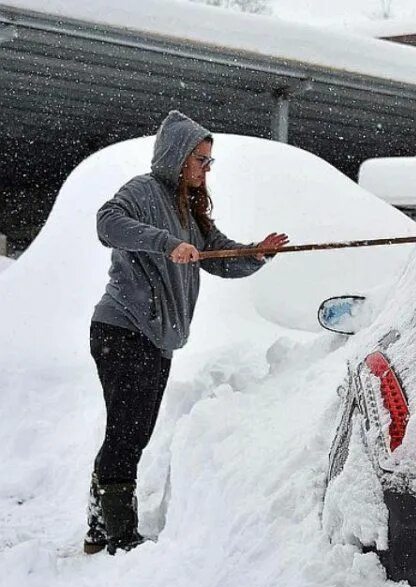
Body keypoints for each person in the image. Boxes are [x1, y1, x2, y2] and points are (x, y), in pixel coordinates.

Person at [85, 110, 289, 554]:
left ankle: (101, 527)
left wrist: (256, 254)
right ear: (177, 157)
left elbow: (218, 255)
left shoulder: (189, 209)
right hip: (122, 328)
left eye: (210, 161)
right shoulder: (142, 191)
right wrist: (166, 243)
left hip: (154, 337)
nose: (206, 169)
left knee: (131, 429)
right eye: (201, 159)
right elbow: (107, 223)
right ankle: (116, 533)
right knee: (128, 430)